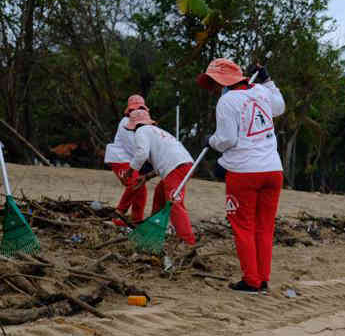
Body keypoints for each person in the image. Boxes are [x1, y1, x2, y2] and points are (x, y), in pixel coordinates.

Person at [198, 58, 285, 294]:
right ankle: (263, 278)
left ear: (221, 80)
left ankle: (251, 280)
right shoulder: (260, 91)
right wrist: (268, 81)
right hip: (273, 171)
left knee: (243, 227)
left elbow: (227, 139)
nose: (214, 88)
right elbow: (280, 106)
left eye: (214, 82)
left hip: (245, 174)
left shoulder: (227, 101)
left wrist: (210, 141)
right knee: (264, 227)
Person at [126, 109, 196, 246]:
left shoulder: (141, 131)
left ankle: (188, 242)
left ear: (134, 126)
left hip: (176, 167)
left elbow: (142, 154)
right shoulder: (157, 132)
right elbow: (164, 161)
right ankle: (154, 230)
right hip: (183, 164)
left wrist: (131, 170)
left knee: (174, 203)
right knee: (160, 193)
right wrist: (146, 177)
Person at [104, 94, 150, 224]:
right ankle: (119, 213)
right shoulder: (126, 122)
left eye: (140, 107)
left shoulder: (142, 125)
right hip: (119, 159)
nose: (137, 110)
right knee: (135, 183)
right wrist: (147, 159)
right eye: (134, 108)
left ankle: (136, 220)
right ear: (129, 110)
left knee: (141, 189)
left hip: (131, 161)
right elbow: (132, 147)